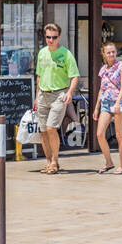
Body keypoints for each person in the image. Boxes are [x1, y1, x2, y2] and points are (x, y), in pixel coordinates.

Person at [35, 22, 80, 175]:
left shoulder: (66, 54)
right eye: (48, 37)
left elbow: (74, 76)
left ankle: (55, 161)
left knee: (51, 128)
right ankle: (49, 162)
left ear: (59, 37)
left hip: (58, 94)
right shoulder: (42, 53)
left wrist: (70, 92)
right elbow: (39, 76)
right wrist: (36, 96)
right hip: (42, 94)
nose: (51, 40)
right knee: (43, 131)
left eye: (54, 37)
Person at [94, 42, 122, 175]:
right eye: (108, 52)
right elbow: (101, 89)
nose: (111, 54)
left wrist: (117, 102)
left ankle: (121, 165)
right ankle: (108, 162)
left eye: (113, 52)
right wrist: (96, 107)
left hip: (118, 103)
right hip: (105, 102)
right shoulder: (103, 69)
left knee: (119, 135)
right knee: (99, 134)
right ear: (104, 54)